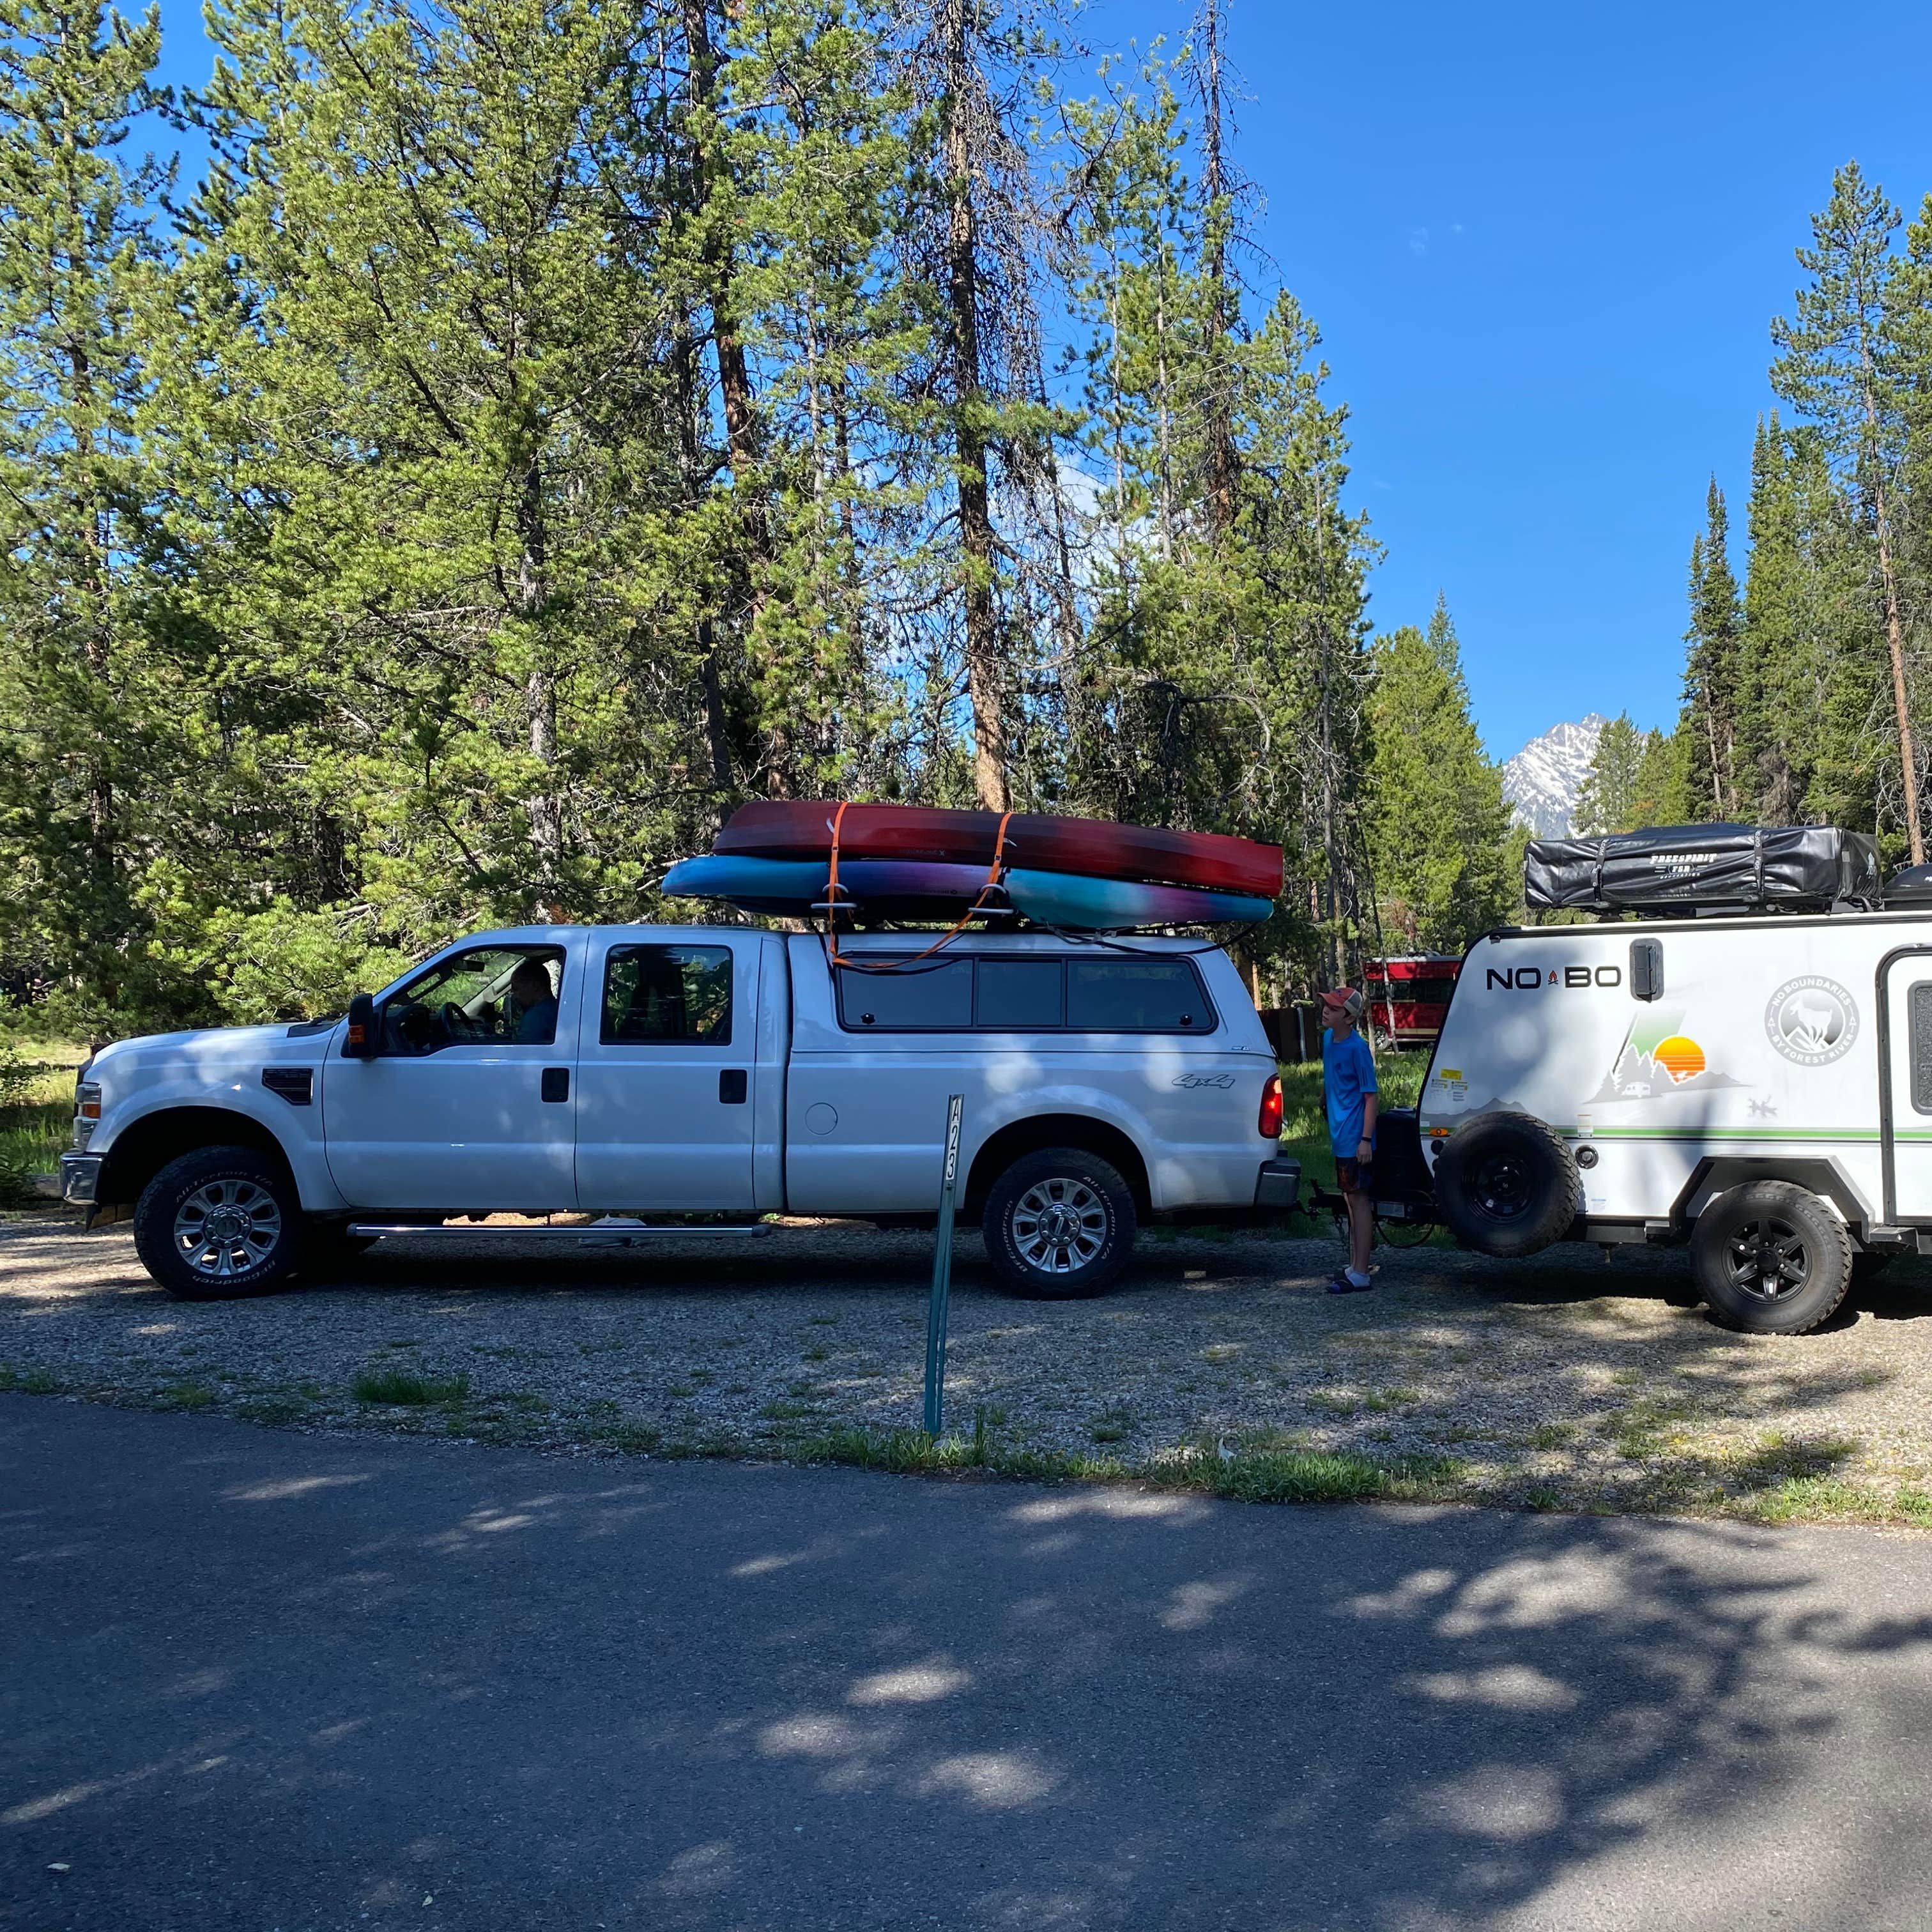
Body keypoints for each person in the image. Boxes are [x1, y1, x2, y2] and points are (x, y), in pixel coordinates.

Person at [1320, 985, 1379, 1294]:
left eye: (1333, 1007)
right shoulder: (1328, 1038)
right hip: (1339, 1135)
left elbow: (1371, 1097)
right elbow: (1332, 1076)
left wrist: (1366, 1140)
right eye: (1326, 1004)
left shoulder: (1358, 1049)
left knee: (1359, 1203)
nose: (1326, 1010)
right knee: (1348, 1199)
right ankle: (1355, 1264)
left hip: (1355, 1137)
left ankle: (1361, 1273)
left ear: (1350, 1017)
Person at [509, 957, 560, 1044]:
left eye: (517, 988)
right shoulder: (556, 1008)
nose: (514, 995)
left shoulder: (535, 1017)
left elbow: (522, 1053)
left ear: (534, 986)